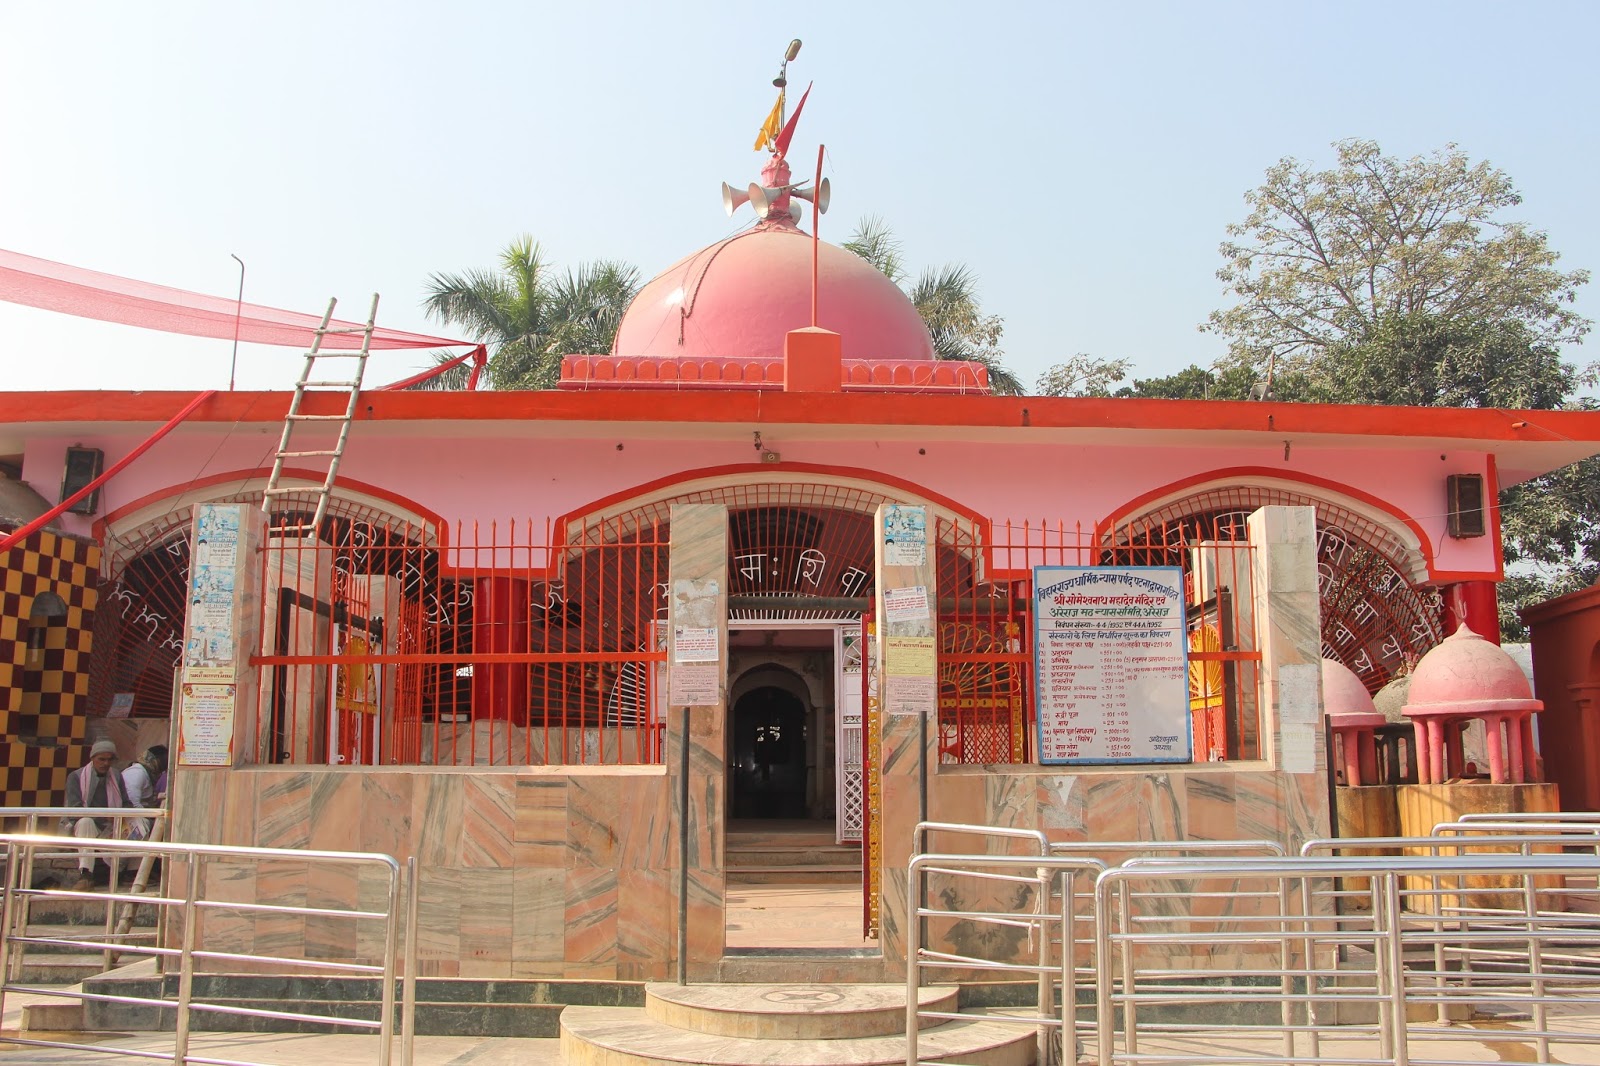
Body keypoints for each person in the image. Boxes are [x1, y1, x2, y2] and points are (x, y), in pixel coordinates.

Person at [63, 739, 129, 891]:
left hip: (113, 825)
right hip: (86, 824)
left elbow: (126, 802)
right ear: (92, 758)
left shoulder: (117, 776)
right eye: (102, 759)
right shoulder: (76, 777)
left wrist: (123, 816)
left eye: (109, 759)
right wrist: (102, 817)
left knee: (143, 823)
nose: (106, 763)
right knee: (86, 822)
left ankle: (131, 874)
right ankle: (86, 876)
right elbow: (75, 810)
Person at [121, 745, 167, 841]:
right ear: (156, 760)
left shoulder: (148, 773)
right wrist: (150, 816)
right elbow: (132, 802)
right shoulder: (137, 773)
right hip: (130, 818)